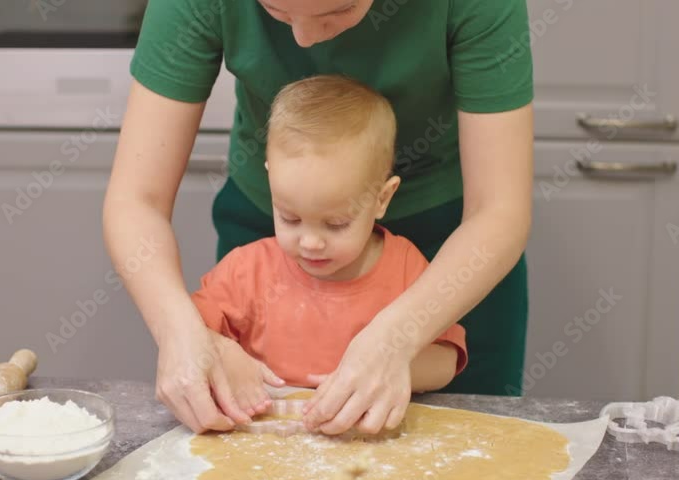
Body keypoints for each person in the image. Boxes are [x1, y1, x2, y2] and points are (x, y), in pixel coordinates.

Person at [102, 0, 534, 436]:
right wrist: (182, 332)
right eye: (276, 11)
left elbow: (498, 210)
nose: (305, 40)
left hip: (452, 243)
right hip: (263, 230)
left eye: (338, 11)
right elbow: (138, 199)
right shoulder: (254, 270)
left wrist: (400, 337)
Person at [190, 75, 468, 422]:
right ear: (270, 179)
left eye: (336, 224)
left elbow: (445, 360)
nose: (309, 242)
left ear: (382, 198)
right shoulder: (246, 270)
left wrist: (373, 370)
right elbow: (187, 334)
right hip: (266, 446)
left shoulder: (405, 268)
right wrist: (220, 351)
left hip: (369, 450)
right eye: (289, 218)